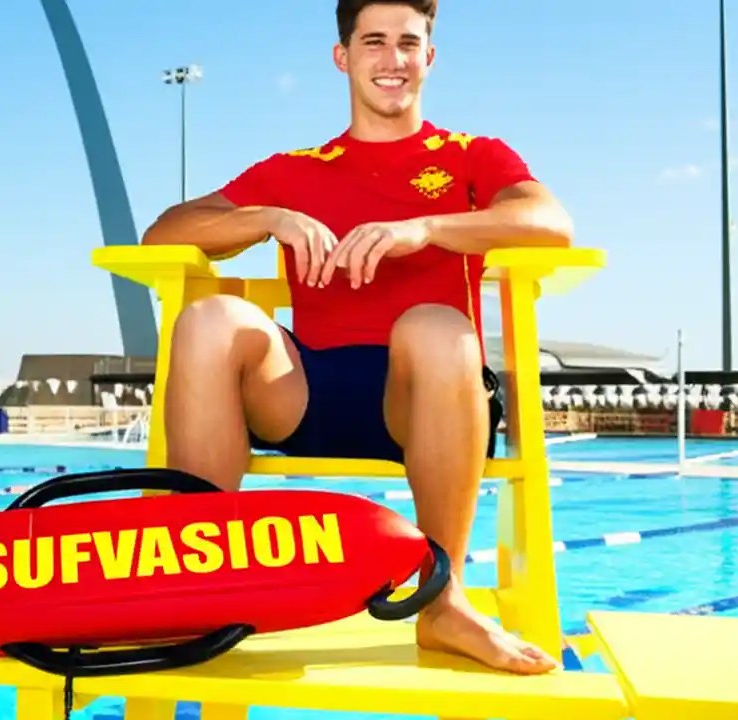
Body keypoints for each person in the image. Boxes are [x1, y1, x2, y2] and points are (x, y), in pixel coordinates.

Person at [139, 0, 573, 675]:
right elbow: (163, 233)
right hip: (307, 395)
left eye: (408, 42)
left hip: (429, 396)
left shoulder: (470, 155)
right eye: (374, 42)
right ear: (343, 57)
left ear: (429, 57)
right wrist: (267, 218)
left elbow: (549, 222)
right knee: (209, 318)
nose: (392, 59)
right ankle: (193, 585)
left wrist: (428, 229)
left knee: (433, 326)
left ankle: (442, 601)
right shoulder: (295, 169)